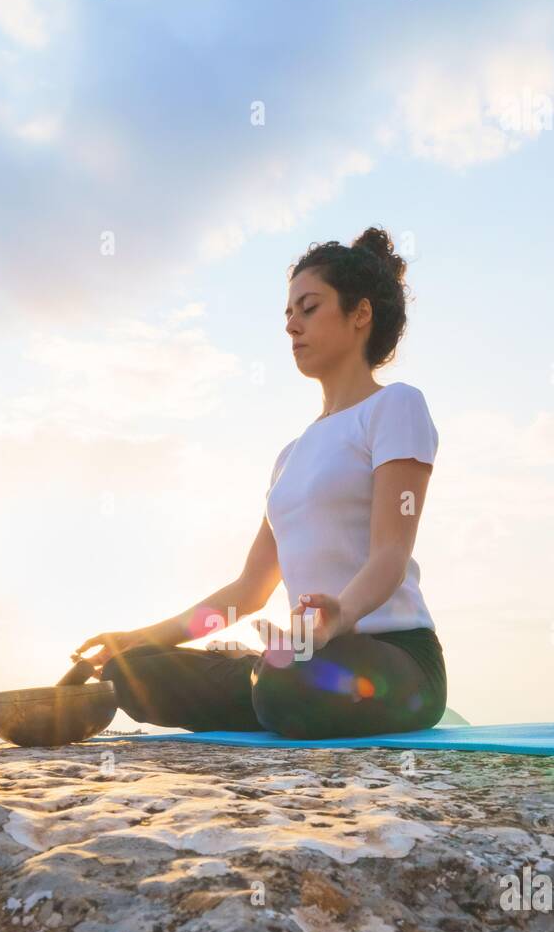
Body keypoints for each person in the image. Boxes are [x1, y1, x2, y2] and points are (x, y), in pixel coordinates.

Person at [71, 226, 447, 739]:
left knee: (287, 679)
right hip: (304, 660)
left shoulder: (395, 406)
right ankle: (262, 675)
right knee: (131, 675)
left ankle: (268, 678)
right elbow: (249, 591)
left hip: (394, 659)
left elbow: (390, 555)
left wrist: (337, 617)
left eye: (309, 308)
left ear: (360, 314)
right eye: (288, 314)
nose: (292, 326)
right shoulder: (290, 456)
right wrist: (138, 640)